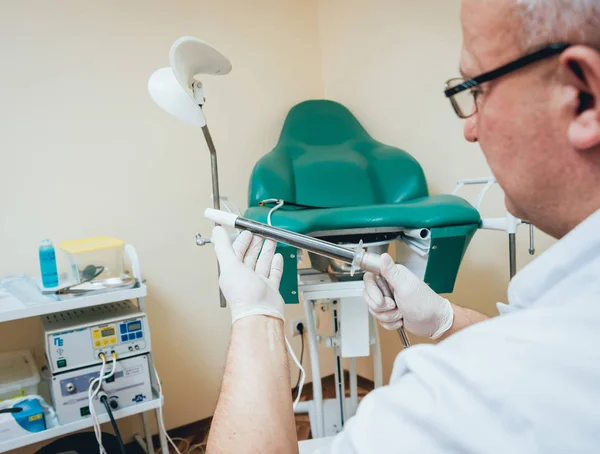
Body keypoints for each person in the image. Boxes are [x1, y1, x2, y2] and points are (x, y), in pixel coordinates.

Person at [205, 0, 600, 452]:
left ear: (582, 94)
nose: (470, 129)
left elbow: (520, 362)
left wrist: (256, 318)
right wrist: (445, 320)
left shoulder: (467, 398)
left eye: (477, 90)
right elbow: (537, 352)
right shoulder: (568, 325)